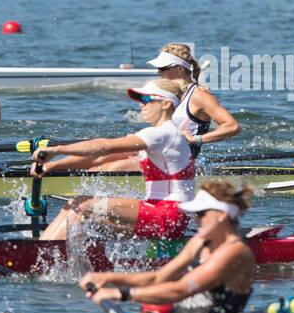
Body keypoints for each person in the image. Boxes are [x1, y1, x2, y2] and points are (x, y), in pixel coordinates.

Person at [63, 179, 255, 313]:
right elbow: (159, 277)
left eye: (201, 213)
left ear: (221, 215)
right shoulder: (200, 241)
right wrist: (107, 277)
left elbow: (179, 290)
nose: (196, 219)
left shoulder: (235, 253)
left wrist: (119, 294)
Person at [31, 79, 194, 242]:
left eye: (145, 99)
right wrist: (52, 165)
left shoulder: (163, 133)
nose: (140, 105)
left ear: (165, 104)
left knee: (84, 208)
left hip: (170, 215)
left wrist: (57, 149)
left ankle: (45, 255)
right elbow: (99, 158)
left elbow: (104, 146)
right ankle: (48, 249)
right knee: (79, 203)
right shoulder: (153, 137)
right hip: (160, 212)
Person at [90, 43, 239, 171]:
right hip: (158, 152)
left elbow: (232, 126)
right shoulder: (168, 93)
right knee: (98, 158)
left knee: (105, 168)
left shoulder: (199, 95)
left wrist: (196, 139)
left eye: (162, 68)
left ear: (180, 69)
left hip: (176, 162)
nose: (158, 72)